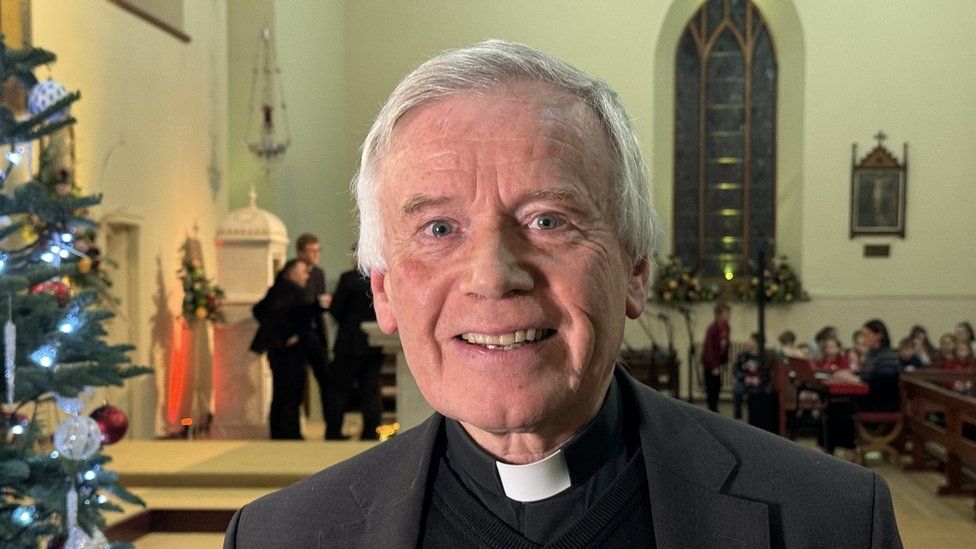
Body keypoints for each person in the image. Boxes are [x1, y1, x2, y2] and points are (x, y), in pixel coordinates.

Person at [225, 40, 901, 548]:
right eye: (438, 228)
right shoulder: (279, 537)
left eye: (548, 220)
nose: (492, 276)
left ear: (636, 269)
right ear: (383, 291)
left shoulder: (834, 520)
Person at [250, 259, 325, 439]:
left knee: (282, 391)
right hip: (288, 352)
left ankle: (280, 432)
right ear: (291, 273)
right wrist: (284, 337)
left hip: (280, 351)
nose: (307, 276)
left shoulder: (280, 289)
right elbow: (278, 313)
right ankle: (289, 433)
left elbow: (262, 311)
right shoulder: (289, 291)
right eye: (303, 272)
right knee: (291, 392)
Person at [325, 245, 385, 440]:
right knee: (370, 390)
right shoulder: (380, 278)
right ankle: (370, 433)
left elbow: (336, 310)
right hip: (374, 341)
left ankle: (333, 432)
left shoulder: (348, 279)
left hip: (349, 342)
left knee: (339, 389)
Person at [295, 233, 333, 438]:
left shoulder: (318, 273)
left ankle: (331, 429)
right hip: (298, 337)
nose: (316, 254)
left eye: (318, 250)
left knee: (327, 381)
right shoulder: (292, 271)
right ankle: (294, 430)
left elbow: (320, 306)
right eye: (312, 250)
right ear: (300, 252)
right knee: (296, 384)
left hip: (316, 335)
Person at [701, 302, 730, 413]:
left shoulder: (726, 327)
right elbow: (709, 348)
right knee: (711, 388)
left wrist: (724, 361)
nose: (728, 316)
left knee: (718, 386)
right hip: (710, 364)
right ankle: (712, 410)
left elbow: (725, 345)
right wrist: (713, 366)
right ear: (718, 315)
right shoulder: (712, 328)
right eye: (726, 313)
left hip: (718, 363)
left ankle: (715, 408)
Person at [730, 332, 762, 420]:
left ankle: (756, 419)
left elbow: (766, 372)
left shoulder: (763, 357)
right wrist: (744, 378)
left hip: (758, 382)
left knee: (762, 394)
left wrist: (758, 379)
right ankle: (738, 417)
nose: (747, 342)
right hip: (744, 381)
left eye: (750, 340)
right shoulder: (743, 355)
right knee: (737, 391)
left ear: (756, 343)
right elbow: (735, 370)